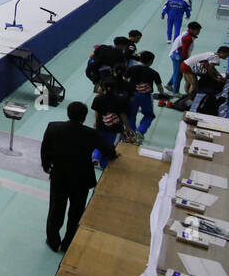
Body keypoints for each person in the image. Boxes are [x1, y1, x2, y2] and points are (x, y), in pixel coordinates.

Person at [41, 101, 114, 252]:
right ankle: (68, 243)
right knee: (76, 211)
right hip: (81, 178)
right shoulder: (91, 133)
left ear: (68, 113)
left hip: (59, 176)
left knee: (55, 209)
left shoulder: (53, 127)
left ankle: (53, 241)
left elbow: (45, 149)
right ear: (84, 116)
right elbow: (107, 150)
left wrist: (47, 166)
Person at [90, 78, 131, 169]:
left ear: (103, 87)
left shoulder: (98, 99)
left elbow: (96, 112)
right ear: (115, 88)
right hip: (113, 128)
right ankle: (104, 164)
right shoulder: (120, 100)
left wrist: (96, 122)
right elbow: (123, 115)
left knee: (99, 142)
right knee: (108, 145)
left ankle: (95, 157)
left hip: (100, 126)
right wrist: (127, 127)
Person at [127, 51, 166, 141]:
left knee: (131, 114)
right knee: (149, 115)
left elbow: (124, 80)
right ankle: (140, 131)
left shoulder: (132, 68)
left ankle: (131, 134)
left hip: (132, 95)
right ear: (151, 61)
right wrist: (162, 94)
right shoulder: (154, 73)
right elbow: (159, 87)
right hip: (145, 96)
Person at [168, 21, 201, 93]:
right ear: (192, 30)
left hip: (176, 54)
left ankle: (169, 84)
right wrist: (186, 61)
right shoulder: (188, 38)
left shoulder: (188, 34)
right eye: (198, 30)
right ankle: (175, 92)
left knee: (176, 72)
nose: (199, 32)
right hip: (178, 56)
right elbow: (184, 51)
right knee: (178, 75)